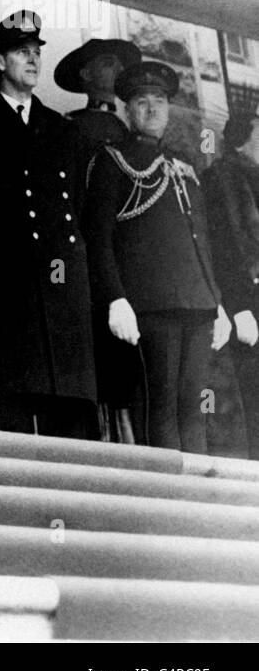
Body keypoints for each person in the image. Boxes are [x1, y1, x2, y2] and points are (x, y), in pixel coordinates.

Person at [0, 12, 98, 438]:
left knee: (73, 412)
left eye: (36, 52)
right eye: (21, 52)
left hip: (65, 286)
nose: (32, 60)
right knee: (19, 409)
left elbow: (80, 209)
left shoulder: (65, 132)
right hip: (9, 285)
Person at [82, 60, 245, 454]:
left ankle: (196, 503)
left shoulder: (183, 165)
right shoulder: (111, 160)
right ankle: (172, 505)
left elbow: (201, 240)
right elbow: (97, 239)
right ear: (126, 109)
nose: (152, 108)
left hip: (198, 302)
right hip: (150, 304)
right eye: (141, 101)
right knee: (160, 406)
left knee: (193, 410)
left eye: (159, 100)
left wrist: (218, 301)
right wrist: (116, 299)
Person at [55, 37, 143, 444]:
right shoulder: (71, 128)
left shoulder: (134, 131)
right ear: (86, 75)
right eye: (107, 64)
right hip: (93, 264)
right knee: (104, 368)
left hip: (133, 264)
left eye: (120, 65)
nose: (117, 71)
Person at [198, 107, 259, 458]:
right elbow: (227, 245)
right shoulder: (223, 177)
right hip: (246, 311)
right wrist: (241, 308)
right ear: (239, 142)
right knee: (250, 405)